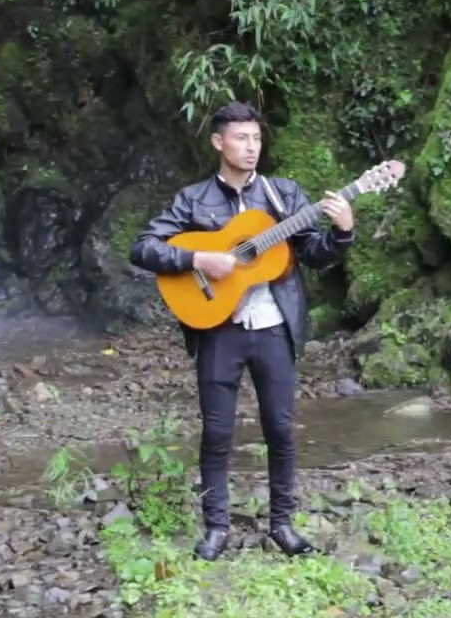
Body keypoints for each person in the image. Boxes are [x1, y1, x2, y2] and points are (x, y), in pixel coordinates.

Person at [129, 101, 356, 561]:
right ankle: (216, 528)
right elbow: (143, 248)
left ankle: (283, 525)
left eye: (256, 138)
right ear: (218, 142)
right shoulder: (193, 200)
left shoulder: (283, 195)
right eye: (241, 138)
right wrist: (197, 259)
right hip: (219, 327)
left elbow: (311, 253)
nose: (251, 147)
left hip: (274, 327)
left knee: (281, 428)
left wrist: (343, 232)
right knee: (216, 431)